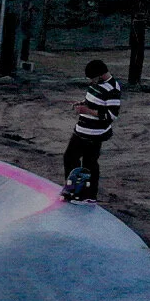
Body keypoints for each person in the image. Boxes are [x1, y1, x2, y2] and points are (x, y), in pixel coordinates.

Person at [62, 59, 121, 201]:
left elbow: (111, 115)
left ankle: (88, 195)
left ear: (100, 75)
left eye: (92, 78)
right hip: (81, 129)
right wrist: (82, 104)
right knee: (70, 158)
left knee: (89, 164)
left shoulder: (112, 89)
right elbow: (94, 101)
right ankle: (74, 189)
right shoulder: (97, 84)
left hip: (94, 134)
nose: (90, 81)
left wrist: (86, 111)